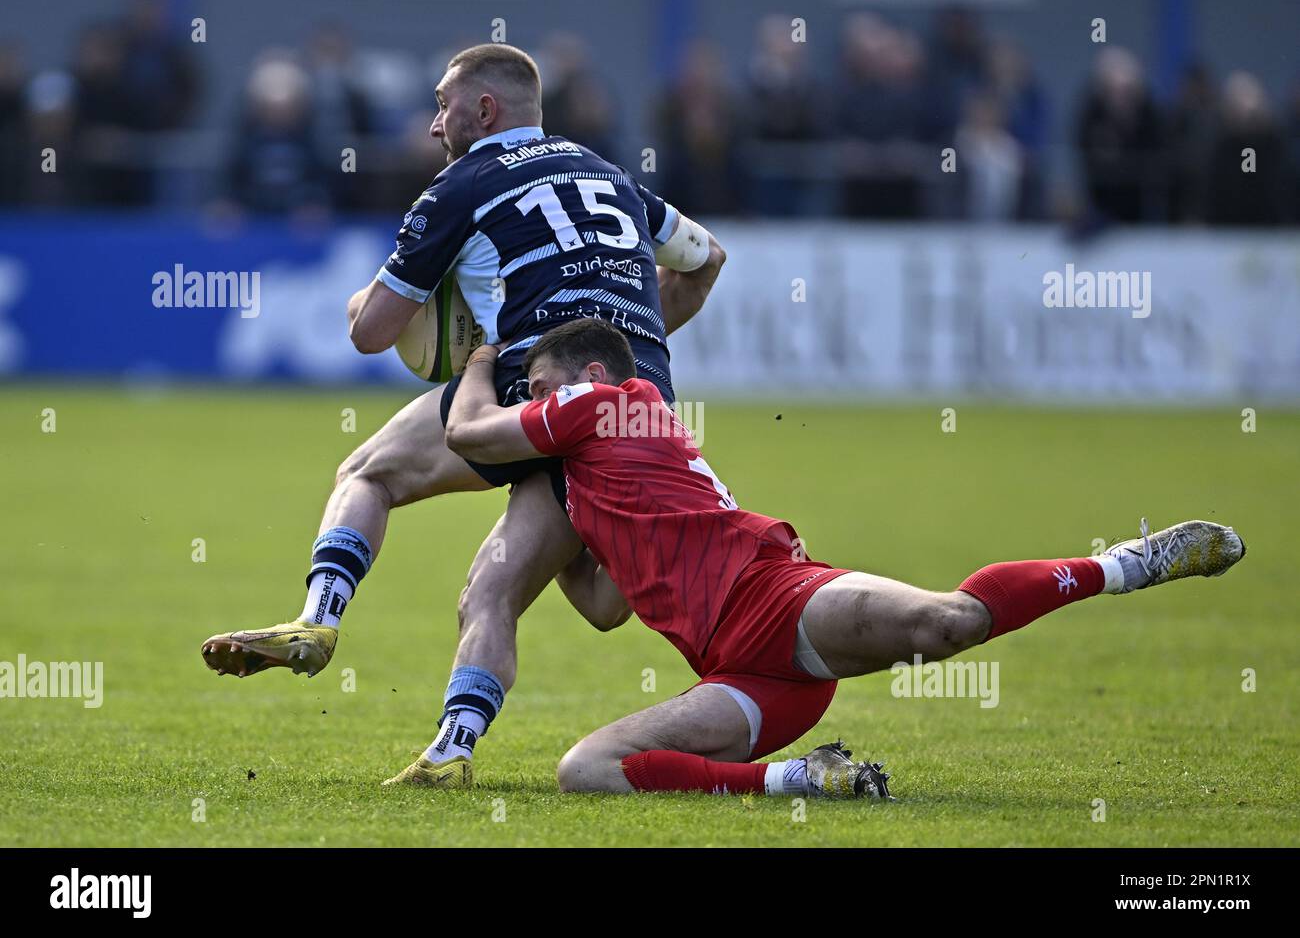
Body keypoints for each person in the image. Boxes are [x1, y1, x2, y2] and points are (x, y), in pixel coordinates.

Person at [403, 317, 1247, 799]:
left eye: (540, 388)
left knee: (947, 623)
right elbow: (605, 608)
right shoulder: (591, 485)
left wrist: (477, 363)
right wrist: (553, 537)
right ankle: (805, 780)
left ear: (586, 375)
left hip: (774, 597)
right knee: (585, 771)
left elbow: (469, 432)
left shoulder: (611, 397)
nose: (537, 406)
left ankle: (1134, 560)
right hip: (745, 677)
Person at [201, 44, 726, 790]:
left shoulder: (463, 184)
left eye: (443, 104)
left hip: (530, 382)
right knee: (555, 597)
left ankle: (319, 618)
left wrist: (380, 306)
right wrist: (632, 341)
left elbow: (370, 332)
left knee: (368, 471)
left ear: (484, 110)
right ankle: (449, 750)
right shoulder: (611, 175)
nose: (432, 123)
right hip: (636, 409)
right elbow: (708, 258)